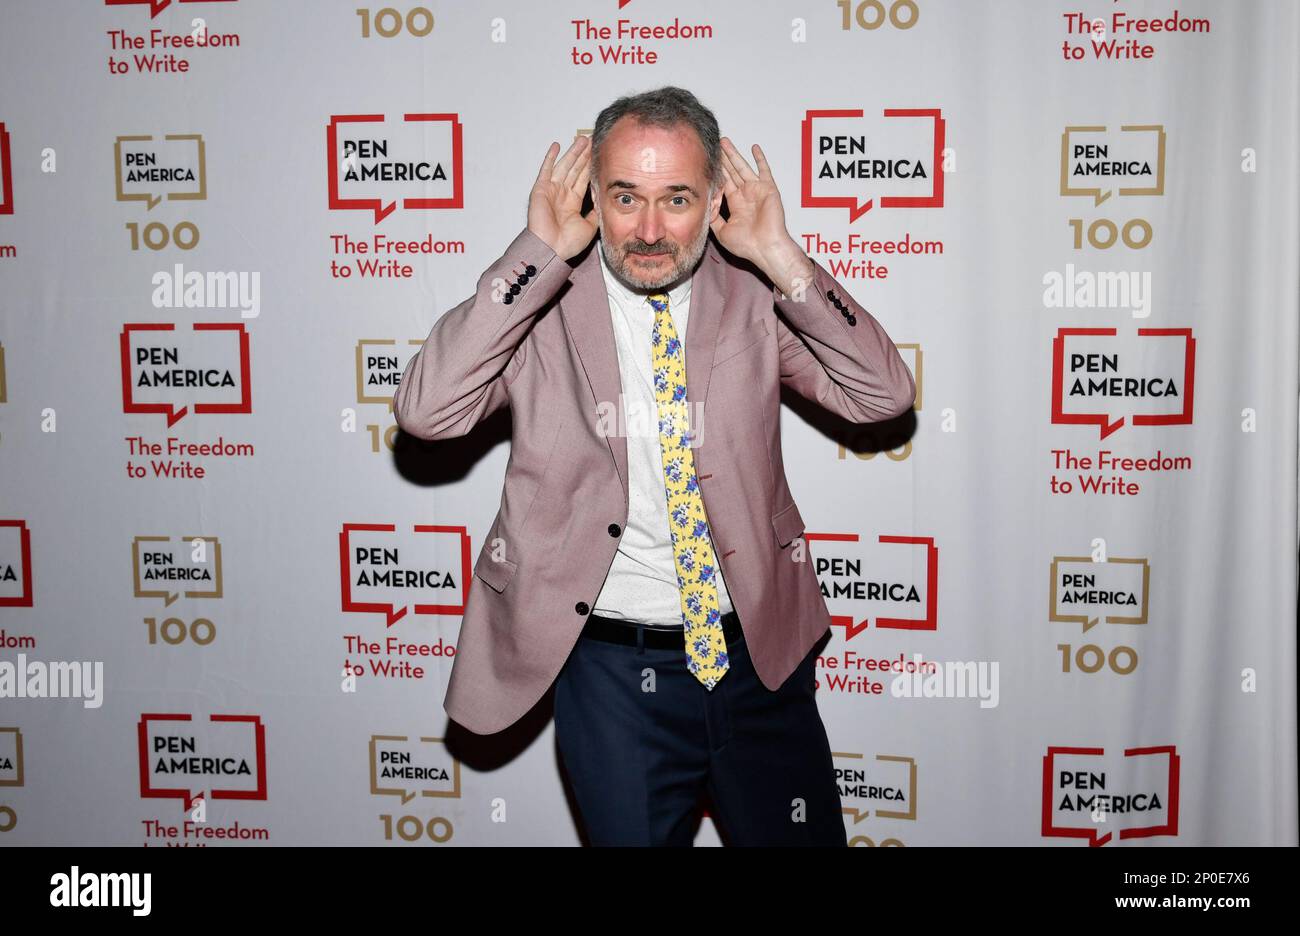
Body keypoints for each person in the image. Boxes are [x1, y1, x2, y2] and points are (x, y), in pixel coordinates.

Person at [393, 86, 915, 846]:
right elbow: (426, 412)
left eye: (676, 198)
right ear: (590, 197)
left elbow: (883, 396)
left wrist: (780, 254)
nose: (647, 229)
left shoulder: (753, 295)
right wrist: (536, 254)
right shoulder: (538, 305)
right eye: (624, 196)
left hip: (756, 660)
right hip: (611, 673)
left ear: (715, 199)